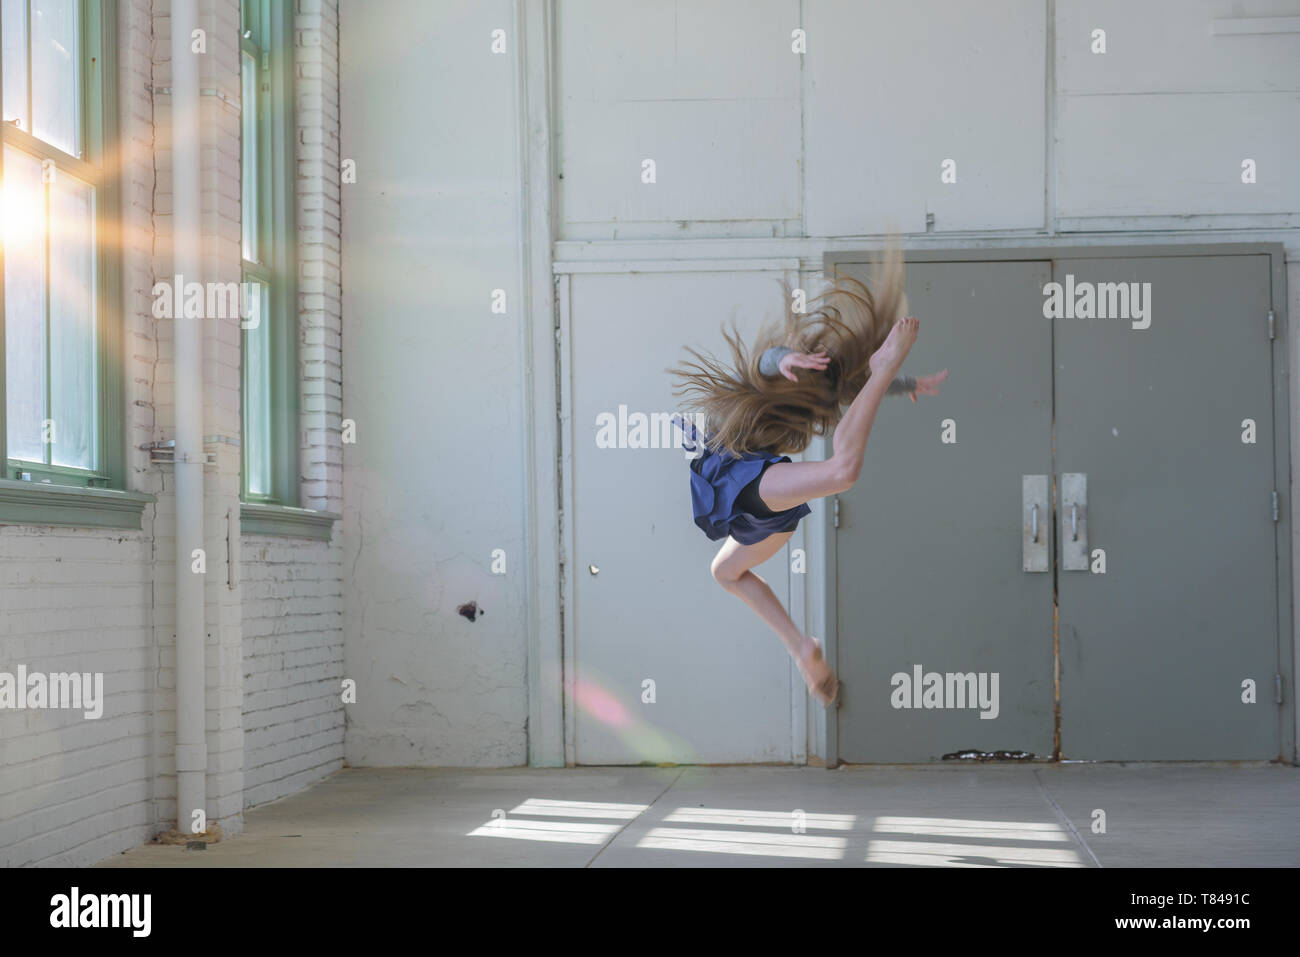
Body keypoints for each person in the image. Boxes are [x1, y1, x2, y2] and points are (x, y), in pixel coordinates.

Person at [669, 246, 948, 705]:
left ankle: (885, 369)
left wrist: (901, 382)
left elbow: (848, 390)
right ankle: (801, 648)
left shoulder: (825, 389)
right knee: (725, 572)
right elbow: (764, 362)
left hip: (752, 486)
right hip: (747, 492)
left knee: (843, 471)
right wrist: (781, 360)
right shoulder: (772, 372)